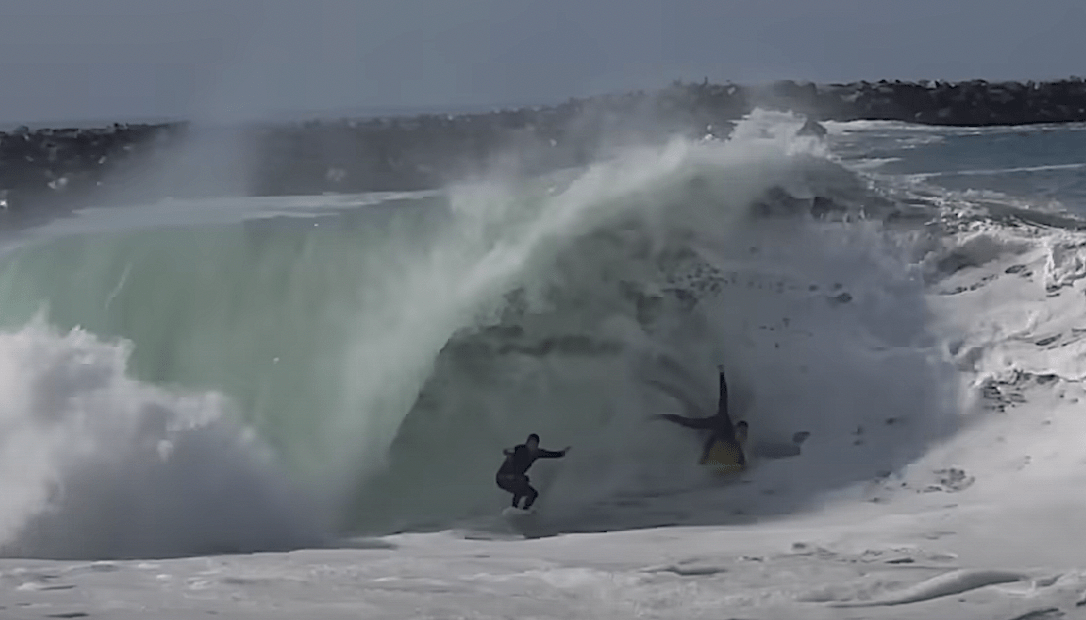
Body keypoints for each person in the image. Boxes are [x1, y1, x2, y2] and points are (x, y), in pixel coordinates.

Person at [654, 365, 749, 470]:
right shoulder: (726, 425)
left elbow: (723, 396)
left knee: (689, 423)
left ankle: (661, 416)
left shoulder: (726, 429)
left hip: (714, 428)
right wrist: (721, 374)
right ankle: (662, 416)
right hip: (713, 427)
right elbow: (723, 394)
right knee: (688, 422)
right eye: (742, 429)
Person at [495, 434, 570, 510]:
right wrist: (508, 453)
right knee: (522, 483)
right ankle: (514, 508)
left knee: (533, 494)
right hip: (502, 478)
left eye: (535, 444)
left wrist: (563, 453)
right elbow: (508, 451)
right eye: (530, 443)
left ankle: (524, 509)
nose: (532, 446)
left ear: (537, 445)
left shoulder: (537, 453)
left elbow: (553, 454)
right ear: (527, 443)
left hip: (516, 479)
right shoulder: (520, 449)